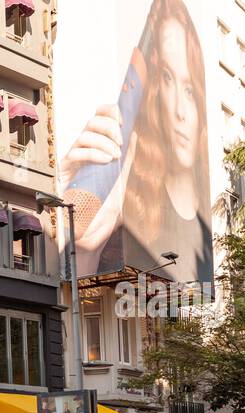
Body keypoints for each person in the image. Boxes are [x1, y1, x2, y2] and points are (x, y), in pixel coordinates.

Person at [59, 0, 211, 284]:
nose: (179, 109)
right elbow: (71, 292)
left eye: (189, 89)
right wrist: (87, 237)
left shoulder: (204, 231)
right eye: (167, 78)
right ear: (150, 90)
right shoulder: (127, 197)